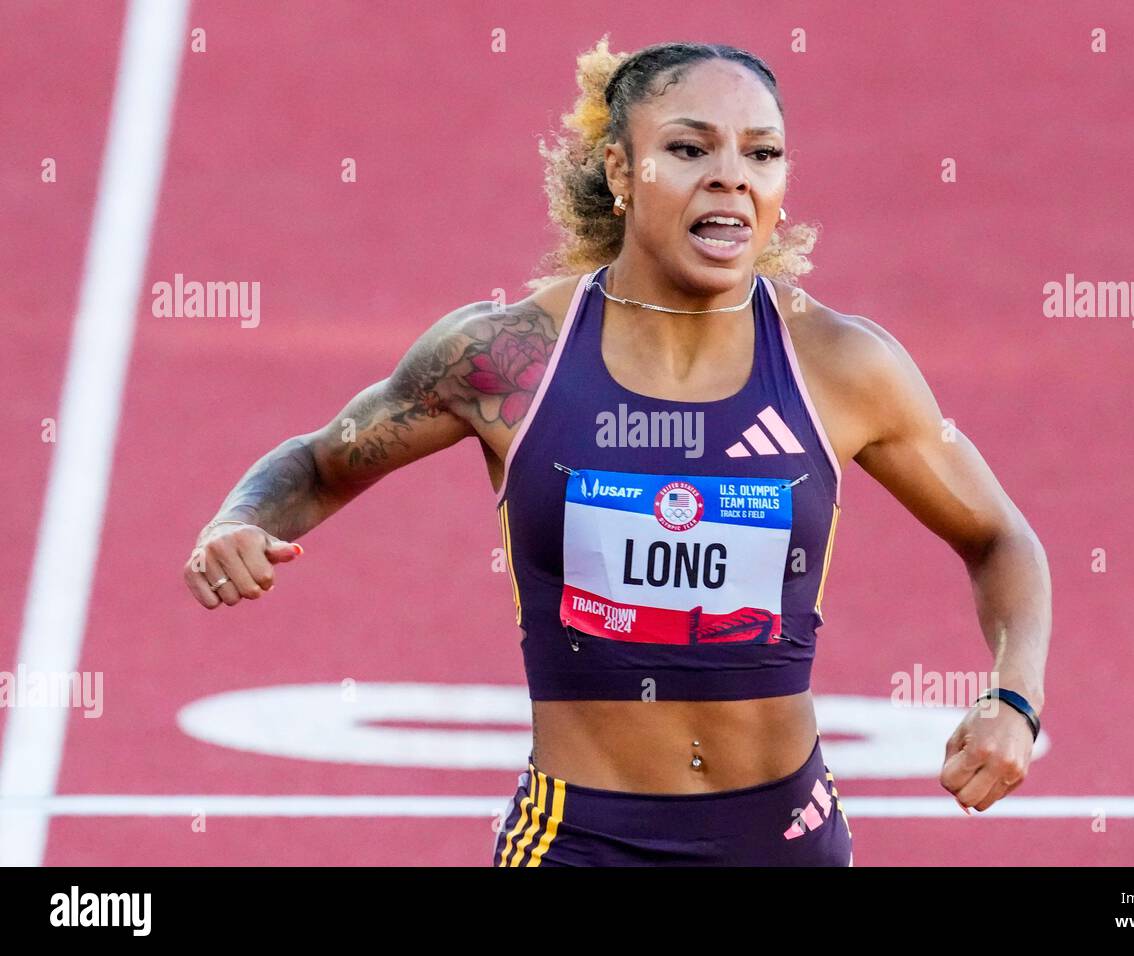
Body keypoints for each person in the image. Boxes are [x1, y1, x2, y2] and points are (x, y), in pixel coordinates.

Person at [183, 37, 1051, 867]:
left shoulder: (842, 366)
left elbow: (999, 539)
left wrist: (1014, 700)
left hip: (780, 835)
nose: (731, 177)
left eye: (763, 153)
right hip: (579, 840)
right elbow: (318, 462)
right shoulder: (507, 358)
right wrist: (239, 518)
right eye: (688, 148)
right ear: (618, 173)